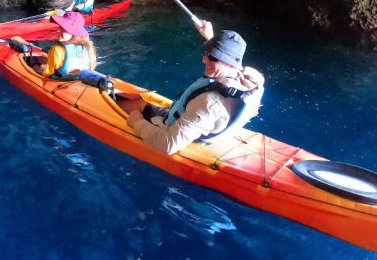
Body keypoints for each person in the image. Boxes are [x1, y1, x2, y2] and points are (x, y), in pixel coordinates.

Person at [124, 20, 265, 155]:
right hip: (204, 125)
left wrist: (137, 121)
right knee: (138, 102)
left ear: (230, 63)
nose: (205, 60)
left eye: (213, 58)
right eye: (207, 54)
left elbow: (167, 144)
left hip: (175, 133)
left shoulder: (209, 104)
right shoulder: (251, 82)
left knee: (130, 107)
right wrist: (210, 37)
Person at [26, 11, 97, 79]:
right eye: (60, 27)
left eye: (64, 28)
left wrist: (35, 65)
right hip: (77, 81)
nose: (58, 30)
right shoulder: (88, 49)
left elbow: (46, 74)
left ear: (74, 33)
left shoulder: (56, 50)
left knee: (36, 64)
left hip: (58, 81)